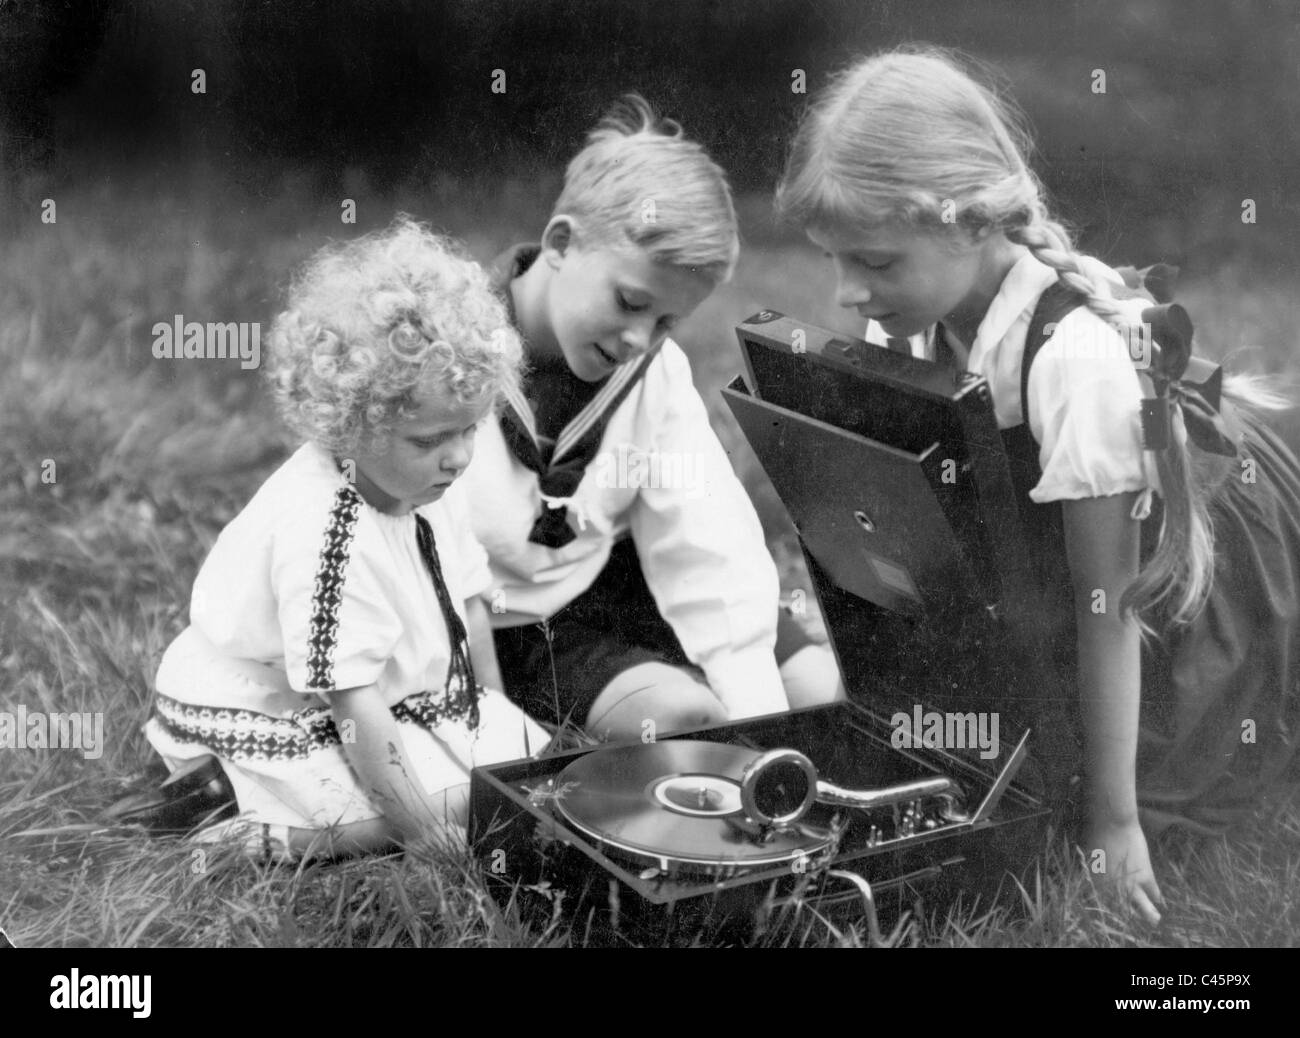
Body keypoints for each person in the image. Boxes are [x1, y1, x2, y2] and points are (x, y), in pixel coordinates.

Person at [774, 45, 1300, 924]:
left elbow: (1111, 605)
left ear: (973, 221)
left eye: (875, 262)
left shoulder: (1073, 365)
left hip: (1194, 594)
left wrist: (1115, 820)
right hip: (1064, 574)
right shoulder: (933, 317)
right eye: (834, 260)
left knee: (1052, 815)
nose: (845, 294)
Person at [141, 217, 548, 861]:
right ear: (351, 421)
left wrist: (488, 713)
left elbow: (469, 601)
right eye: (431, 440)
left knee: (527, 770)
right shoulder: (327, 531)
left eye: (471, 430)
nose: (459, 456)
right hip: (287, 702)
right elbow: (352, 701)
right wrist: (421, 832)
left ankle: (424, 799)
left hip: (393, 693)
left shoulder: (430, 485)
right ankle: (266, 834)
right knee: (472, 802)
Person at [461, 96, 844, 742]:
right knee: (684, 719)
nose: (641, 339)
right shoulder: (452, 351)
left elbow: (708, 547)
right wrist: (488, 725)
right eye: (630, 302)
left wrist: (763, 711)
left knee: (816, 688)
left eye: (666, 321)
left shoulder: (653, 372)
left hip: (623, 579)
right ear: (560, 243)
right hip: (514, 625)